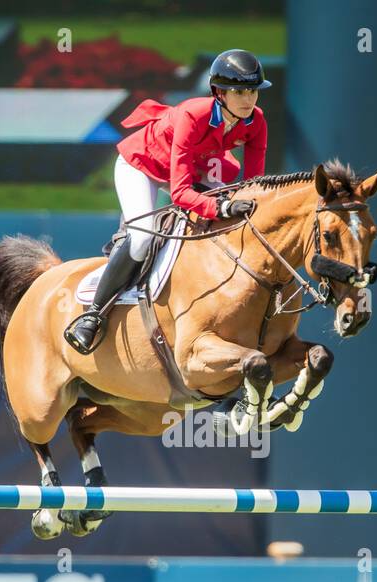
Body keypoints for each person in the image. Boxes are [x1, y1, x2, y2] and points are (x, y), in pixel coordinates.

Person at [64, 49, 272, 355]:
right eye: (239, 91)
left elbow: (254, 185)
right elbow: (180, 193)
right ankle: (93, 315)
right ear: (219, 93)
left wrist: (243, 206)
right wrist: (221, 207)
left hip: (196, 165)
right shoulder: (193, 114)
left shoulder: (256, 122)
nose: (248, 100)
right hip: (143, 166)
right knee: (143, 237)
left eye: (252, 91)